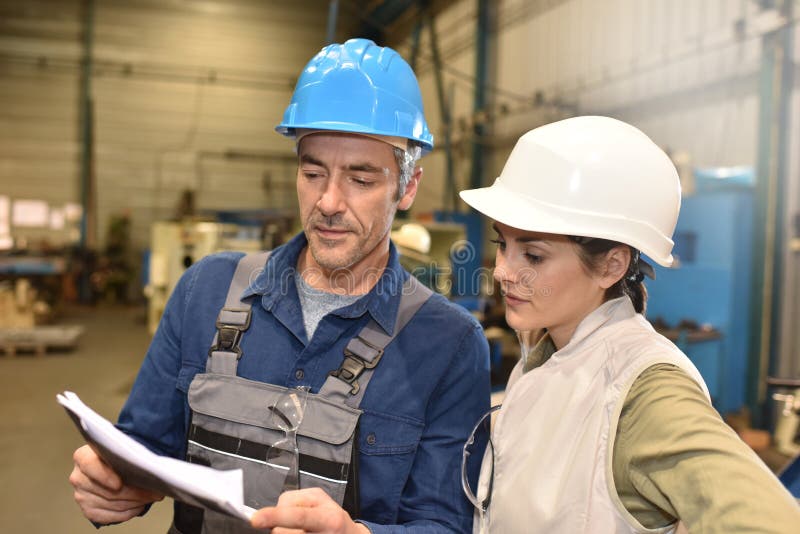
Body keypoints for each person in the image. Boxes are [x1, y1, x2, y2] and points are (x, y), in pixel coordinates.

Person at [69, 38, 490, 534]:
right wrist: (112, 484)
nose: (329, 201)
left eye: (360, 180)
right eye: (313, 172)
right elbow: (144, 451)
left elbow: (444, 524)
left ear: (408, 186)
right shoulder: (206, 290)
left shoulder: (450, 346)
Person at [458, 115, 800, 533]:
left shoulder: (643, 391)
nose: (502, 272)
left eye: (533, 256)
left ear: (612, 265)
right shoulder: (546, 352)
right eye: (502, 245)